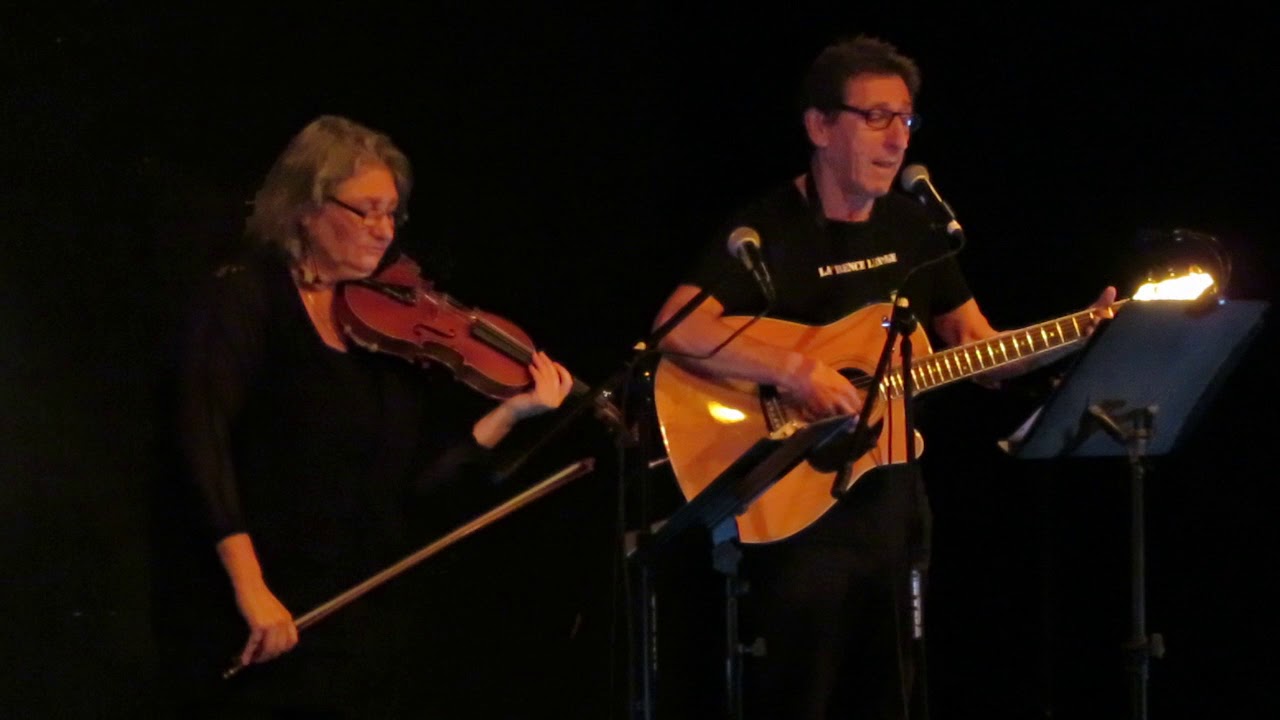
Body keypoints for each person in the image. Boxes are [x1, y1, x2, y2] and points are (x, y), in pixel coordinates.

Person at [652, 36, 1115, 719]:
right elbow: (676, 328)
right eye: (876, 118)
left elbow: (978, 348)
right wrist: (795, 369)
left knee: (893, 694)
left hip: (892, 499)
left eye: (906, 120)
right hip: (794, 502)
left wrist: (1077, 334)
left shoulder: (916, 227)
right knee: (800, 697)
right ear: (820, 126)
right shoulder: (767, 228)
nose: (898, 139)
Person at [149, 115, 574, 718]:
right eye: (367, 212)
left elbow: (408, 488)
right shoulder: (246, 297)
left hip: (356, 628)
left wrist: (509, 414)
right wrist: (250, 587)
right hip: (262, 618)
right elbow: (200, 441)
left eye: (392, 214)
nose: (384, 232)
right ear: (306, 209)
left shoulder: (378, 331)